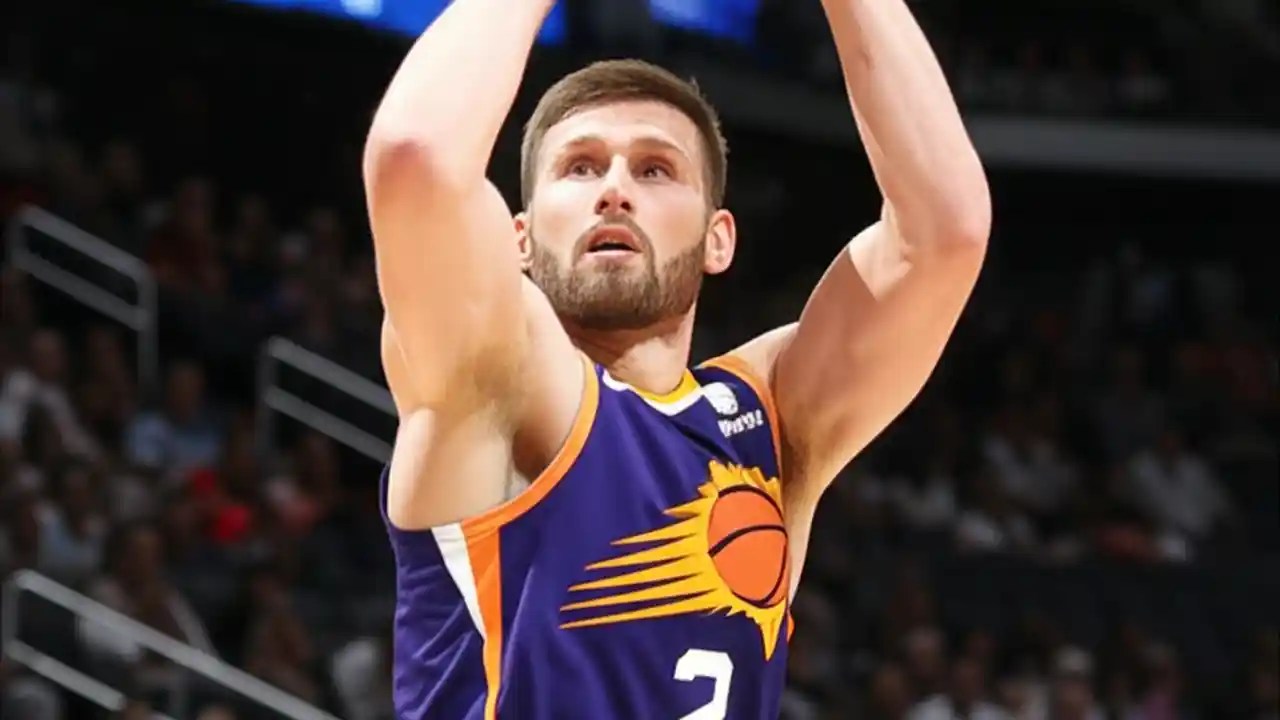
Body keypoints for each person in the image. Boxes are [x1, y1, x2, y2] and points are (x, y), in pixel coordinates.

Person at [363, 0, 989, 717]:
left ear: (718, 239)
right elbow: (418, 157)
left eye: (656, 170)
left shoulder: (772, 423)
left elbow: (947, 232)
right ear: (521, 239)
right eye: (580, 167)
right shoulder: (494, 379)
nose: (614, 190)